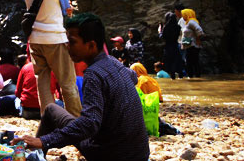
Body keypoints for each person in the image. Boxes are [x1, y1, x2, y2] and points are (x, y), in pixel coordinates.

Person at [13, 13, 150, 161]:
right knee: (52, 109)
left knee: (51, 110)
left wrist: (44, 141)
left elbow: (89, 124)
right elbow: (134, 77)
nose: (67, 47)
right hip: (140, 153)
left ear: (91, 45)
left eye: (72, 42)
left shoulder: (93, 74)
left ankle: (37, 154)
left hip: (109, 154)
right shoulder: (114, 62)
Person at [20, 0, 80, 116]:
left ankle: (49, 120)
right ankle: (75, 120)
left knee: (43, 82)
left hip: (35, 39)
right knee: (67, 82)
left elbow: (28, 4)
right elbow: (65, 10)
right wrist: (69, 10)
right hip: (55, 38)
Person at [179, 9, 205, 77]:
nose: (182, 17)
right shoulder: (187, 22)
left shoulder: (191, 22)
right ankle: (194, 77)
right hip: (189, 45)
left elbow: (199, 30)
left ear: (187, 15)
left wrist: (198, 39)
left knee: (191, 62)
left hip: (193, 46)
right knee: (191, 62)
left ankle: (192, 77)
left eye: (183, 15)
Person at [159, 12, 184, 79]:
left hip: (168, 46)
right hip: (175, 45)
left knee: (170, 62)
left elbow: (162, 37)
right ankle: (180, 76)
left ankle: (173, 77)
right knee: (177, 61)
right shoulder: (178, 27)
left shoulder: (166, 27)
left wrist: (160, 31)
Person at [16, 55, 40, 119]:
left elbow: (18, 92)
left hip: (27, 110)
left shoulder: (25, 68)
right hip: (46, 110)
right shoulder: (51, 67)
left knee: (15, 99)